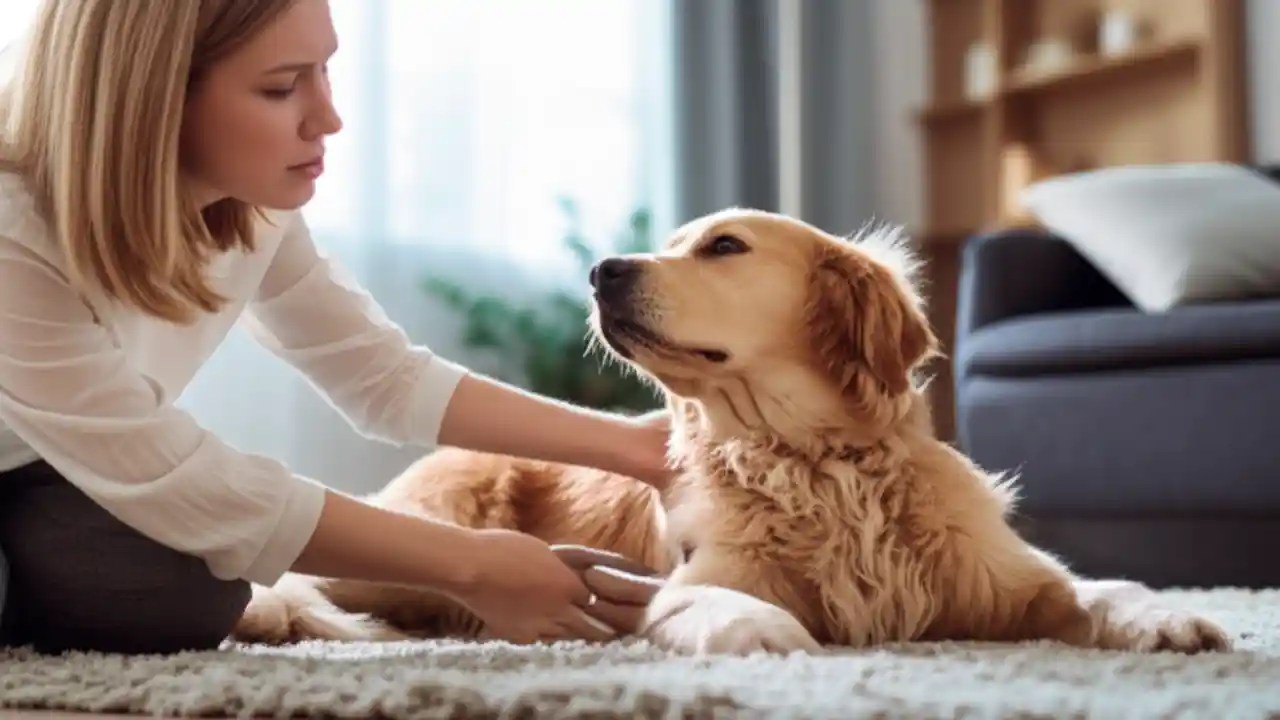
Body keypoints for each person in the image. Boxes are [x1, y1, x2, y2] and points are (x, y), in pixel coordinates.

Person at [0, 0, 669, 655]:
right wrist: (471, 564)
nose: (329, 117)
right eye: (282, 86)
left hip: (47, 462)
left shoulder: (251, 205)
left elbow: (381, 376)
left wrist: (634, 447)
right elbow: (174, 472)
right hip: (45, 457)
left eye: (325, 72)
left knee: (197, 589)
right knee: (200, 542)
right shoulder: (11, 230)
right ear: (152, 97)